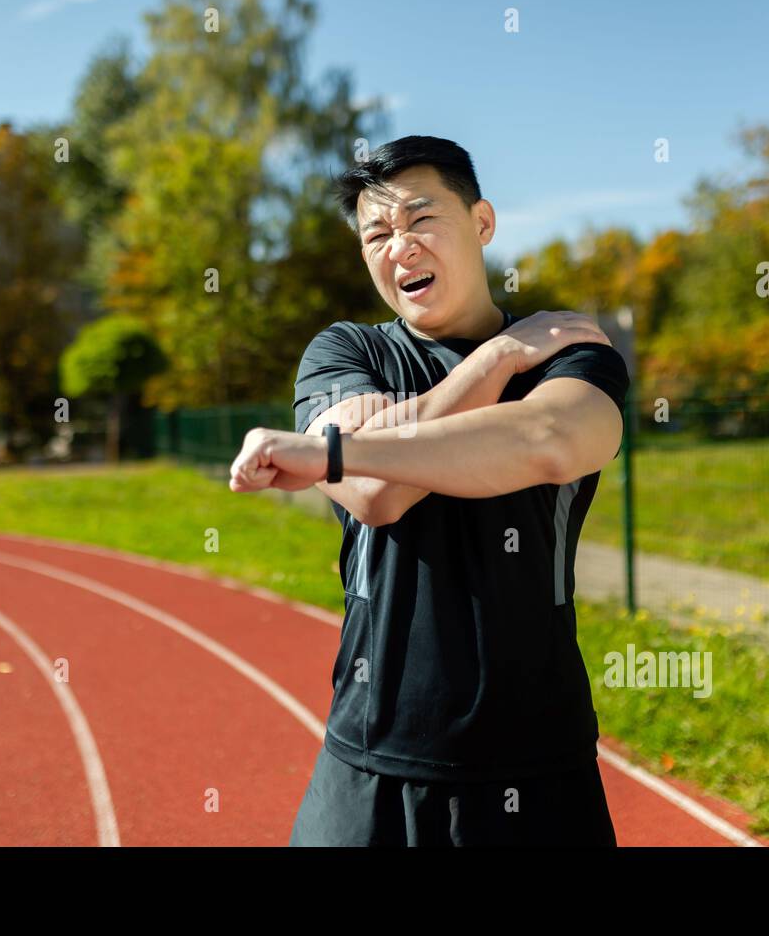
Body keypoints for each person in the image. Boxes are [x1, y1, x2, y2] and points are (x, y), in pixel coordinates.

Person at [228, 135, 629, 846]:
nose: (399, 246)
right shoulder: (347, 351)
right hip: (370, 758)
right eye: (376, 233)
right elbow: (378, 492)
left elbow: (549, 441)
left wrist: (327, 453)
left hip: (536, 765)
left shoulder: (567, 348)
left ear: (481, 223)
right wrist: (498, 361)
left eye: (420, 219)